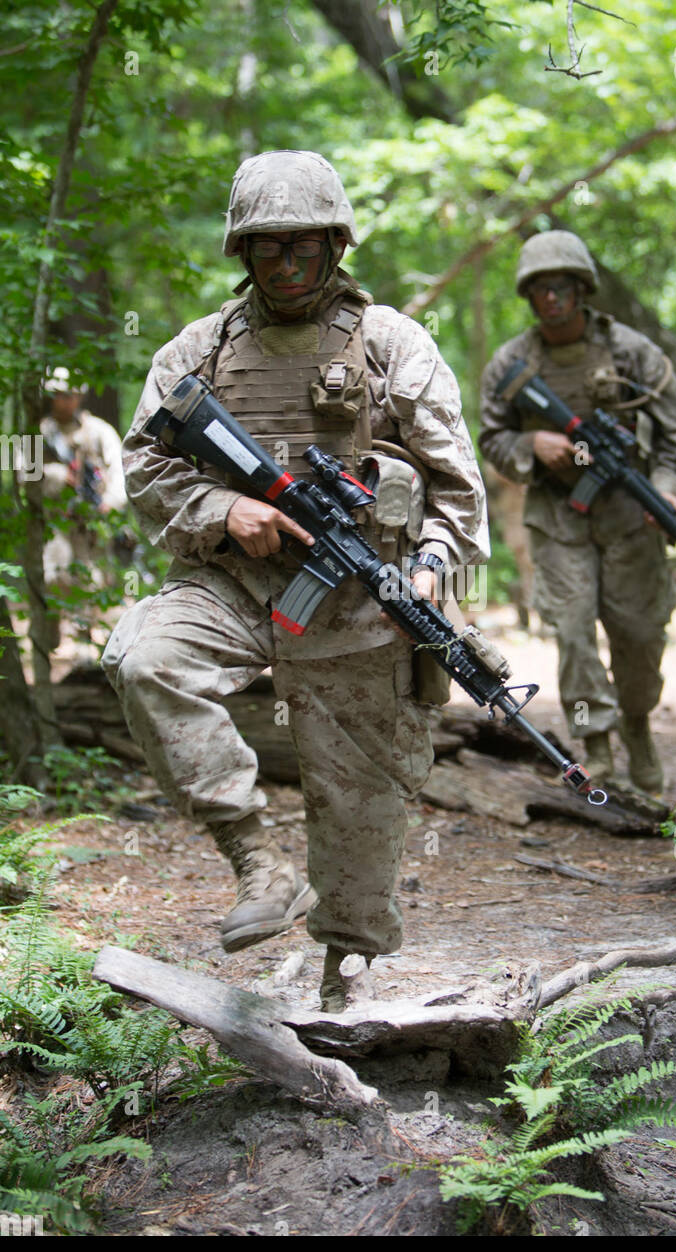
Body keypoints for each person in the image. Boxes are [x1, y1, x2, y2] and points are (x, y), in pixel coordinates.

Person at [101, 151, 488, 1011]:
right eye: (267, 247)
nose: (285, 265)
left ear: (335, 247)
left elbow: (458, 486)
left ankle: (347, 991)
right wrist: (220, 509)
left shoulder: (391, 344)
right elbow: (144, 465)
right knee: (145, 659)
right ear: (242, 252)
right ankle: (256, 864)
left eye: (303, 248)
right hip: (237, 586)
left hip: (360, 598)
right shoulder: (195, 353)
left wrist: (428, 565)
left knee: (359, 810)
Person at [479, 230, 676, 793]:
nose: (550, 299)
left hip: (630, 514)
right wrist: (533, 448)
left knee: (640, 633)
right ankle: (596, 743)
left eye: (560, 288)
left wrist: (669, 491)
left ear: (581, 290)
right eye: (539, 290)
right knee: (573, 632)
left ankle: (637, 724)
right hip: (559, 517)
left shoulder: (633, 353)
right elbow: (492, 437)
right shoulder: (513, 362)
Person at [39, 369, 127, 650]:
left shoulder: (99, 431)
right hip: (54, 523)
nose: (68, 401)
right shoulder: (36, 432)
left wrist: (108, 504)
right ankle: (48, 642)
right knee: (51, 577)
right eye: (62, 395)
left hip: (92, 522)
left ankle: (85, 647)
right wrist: (55, 475)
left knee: (94, 582)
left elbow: (121, 473)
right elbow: (20, 475)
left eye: (73, 395)